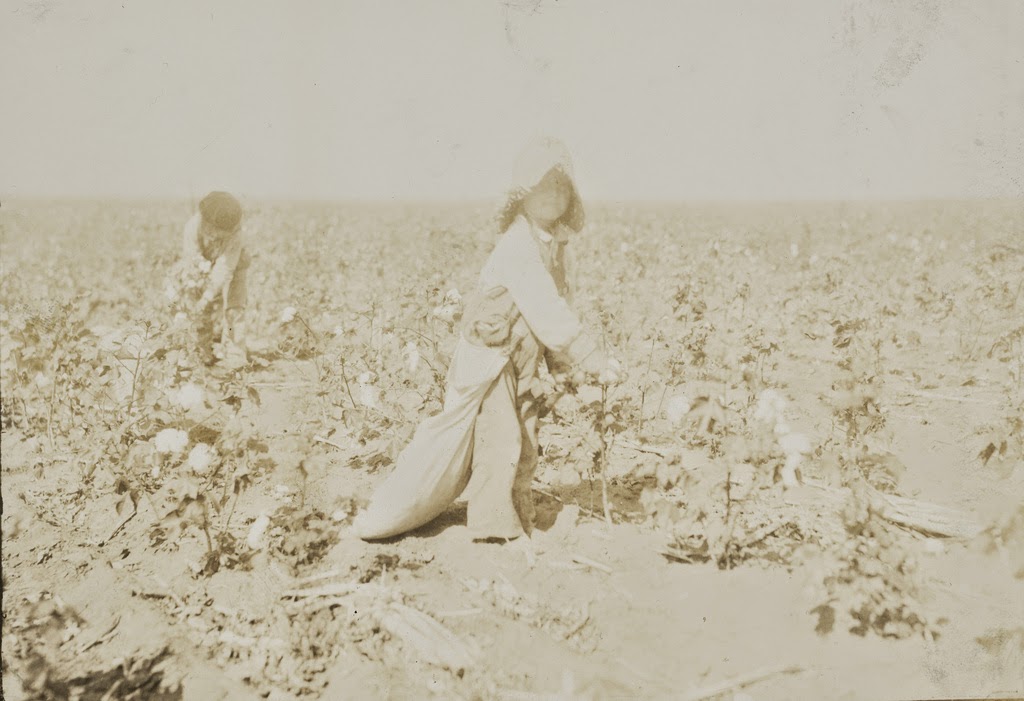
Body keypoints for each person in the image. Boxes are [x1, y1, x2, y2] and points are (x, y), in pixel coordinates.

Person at [353, 137, 619, 543]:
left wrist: (563, 367)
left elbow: (560, 302)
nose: (552, 196)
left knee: (526, 437)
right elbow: (546, 308)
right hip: (491, 361)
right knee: (501, 438)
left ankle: (518, 514)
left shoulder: (557, 246)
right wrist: (591, 357)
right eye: (542, 187)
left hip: (524, 360)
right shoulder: (516, 246)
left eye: (560, 188)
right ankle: (494, 530)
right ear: (522, 197)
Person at [170, 191, 251, 363]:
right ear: (206, 224)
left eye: (225, 234)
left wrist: (208, 296)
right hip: (201, 264)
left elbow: (225, 268)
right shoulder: (192, 228)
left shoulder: (236, 234)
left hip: (234, 265)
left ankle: (235, 352)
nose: (219, 237)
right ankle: (201, 349)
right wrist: (202, 296)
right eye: (216, 233)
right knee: (198, 304)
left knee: (234, 306)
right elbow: (192, 264)